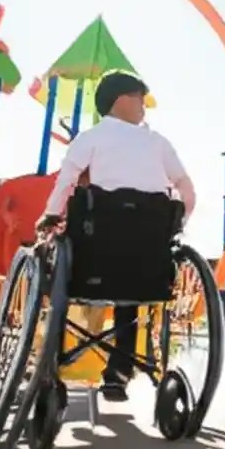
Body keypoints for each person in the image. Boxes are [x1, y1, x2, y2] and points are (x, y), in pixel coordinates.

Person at [34, 71, 196, 402]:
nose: (144, 108)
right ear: (121, 99)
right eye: (140, 99)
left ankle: (52, 366)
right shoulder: (158, 143)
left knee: (75, 256)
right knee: (130, 290)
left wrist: (50, 215)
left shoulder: (90, 138)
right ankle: (118, 370)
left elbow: (66, 181)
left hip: (94, 261)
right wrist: (177, 225)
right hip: (147, 264)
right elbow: (187, 190)